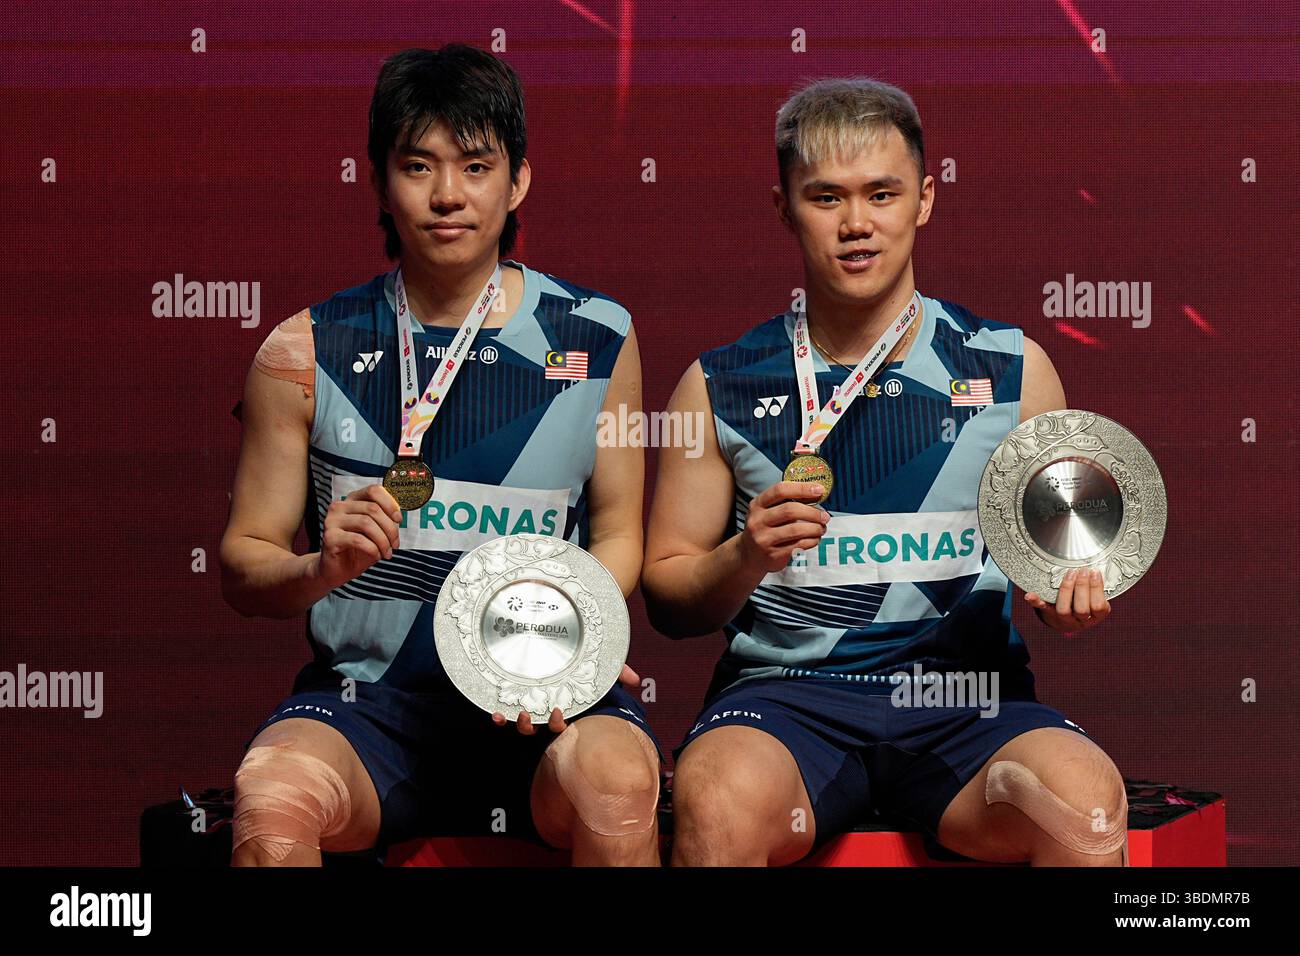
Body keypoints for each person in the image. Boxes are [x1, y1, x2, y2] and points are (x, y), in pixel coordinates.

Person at [641, 77, 1126, 867]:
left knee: (1084, 806)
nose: (857, 224)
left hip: (965, 701)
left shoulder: (1012, 370)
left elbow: (1062, 567)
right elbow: (667, 598)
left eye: (882, 193)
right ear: (783, 206)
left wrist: (1068, 603)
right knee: (716, 801)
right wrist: (743, 556)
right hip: (784, 705)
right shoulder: (718, 383)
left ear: (925, 199)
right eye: (826, 197)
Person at [220, 45, 661, 867]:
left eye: (476, 165)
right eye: (418, 166)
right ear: (379, 179)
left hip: (542, 702)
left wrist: (573, 644)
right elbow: (243, 567)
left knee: (617, 784)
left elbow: (620, 537)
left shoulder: (599, 337)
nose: (448, 195)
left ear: (518, 180)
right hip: (370, 707)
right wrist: (321, 565)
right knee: (273, 802)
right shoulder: (302, 350)